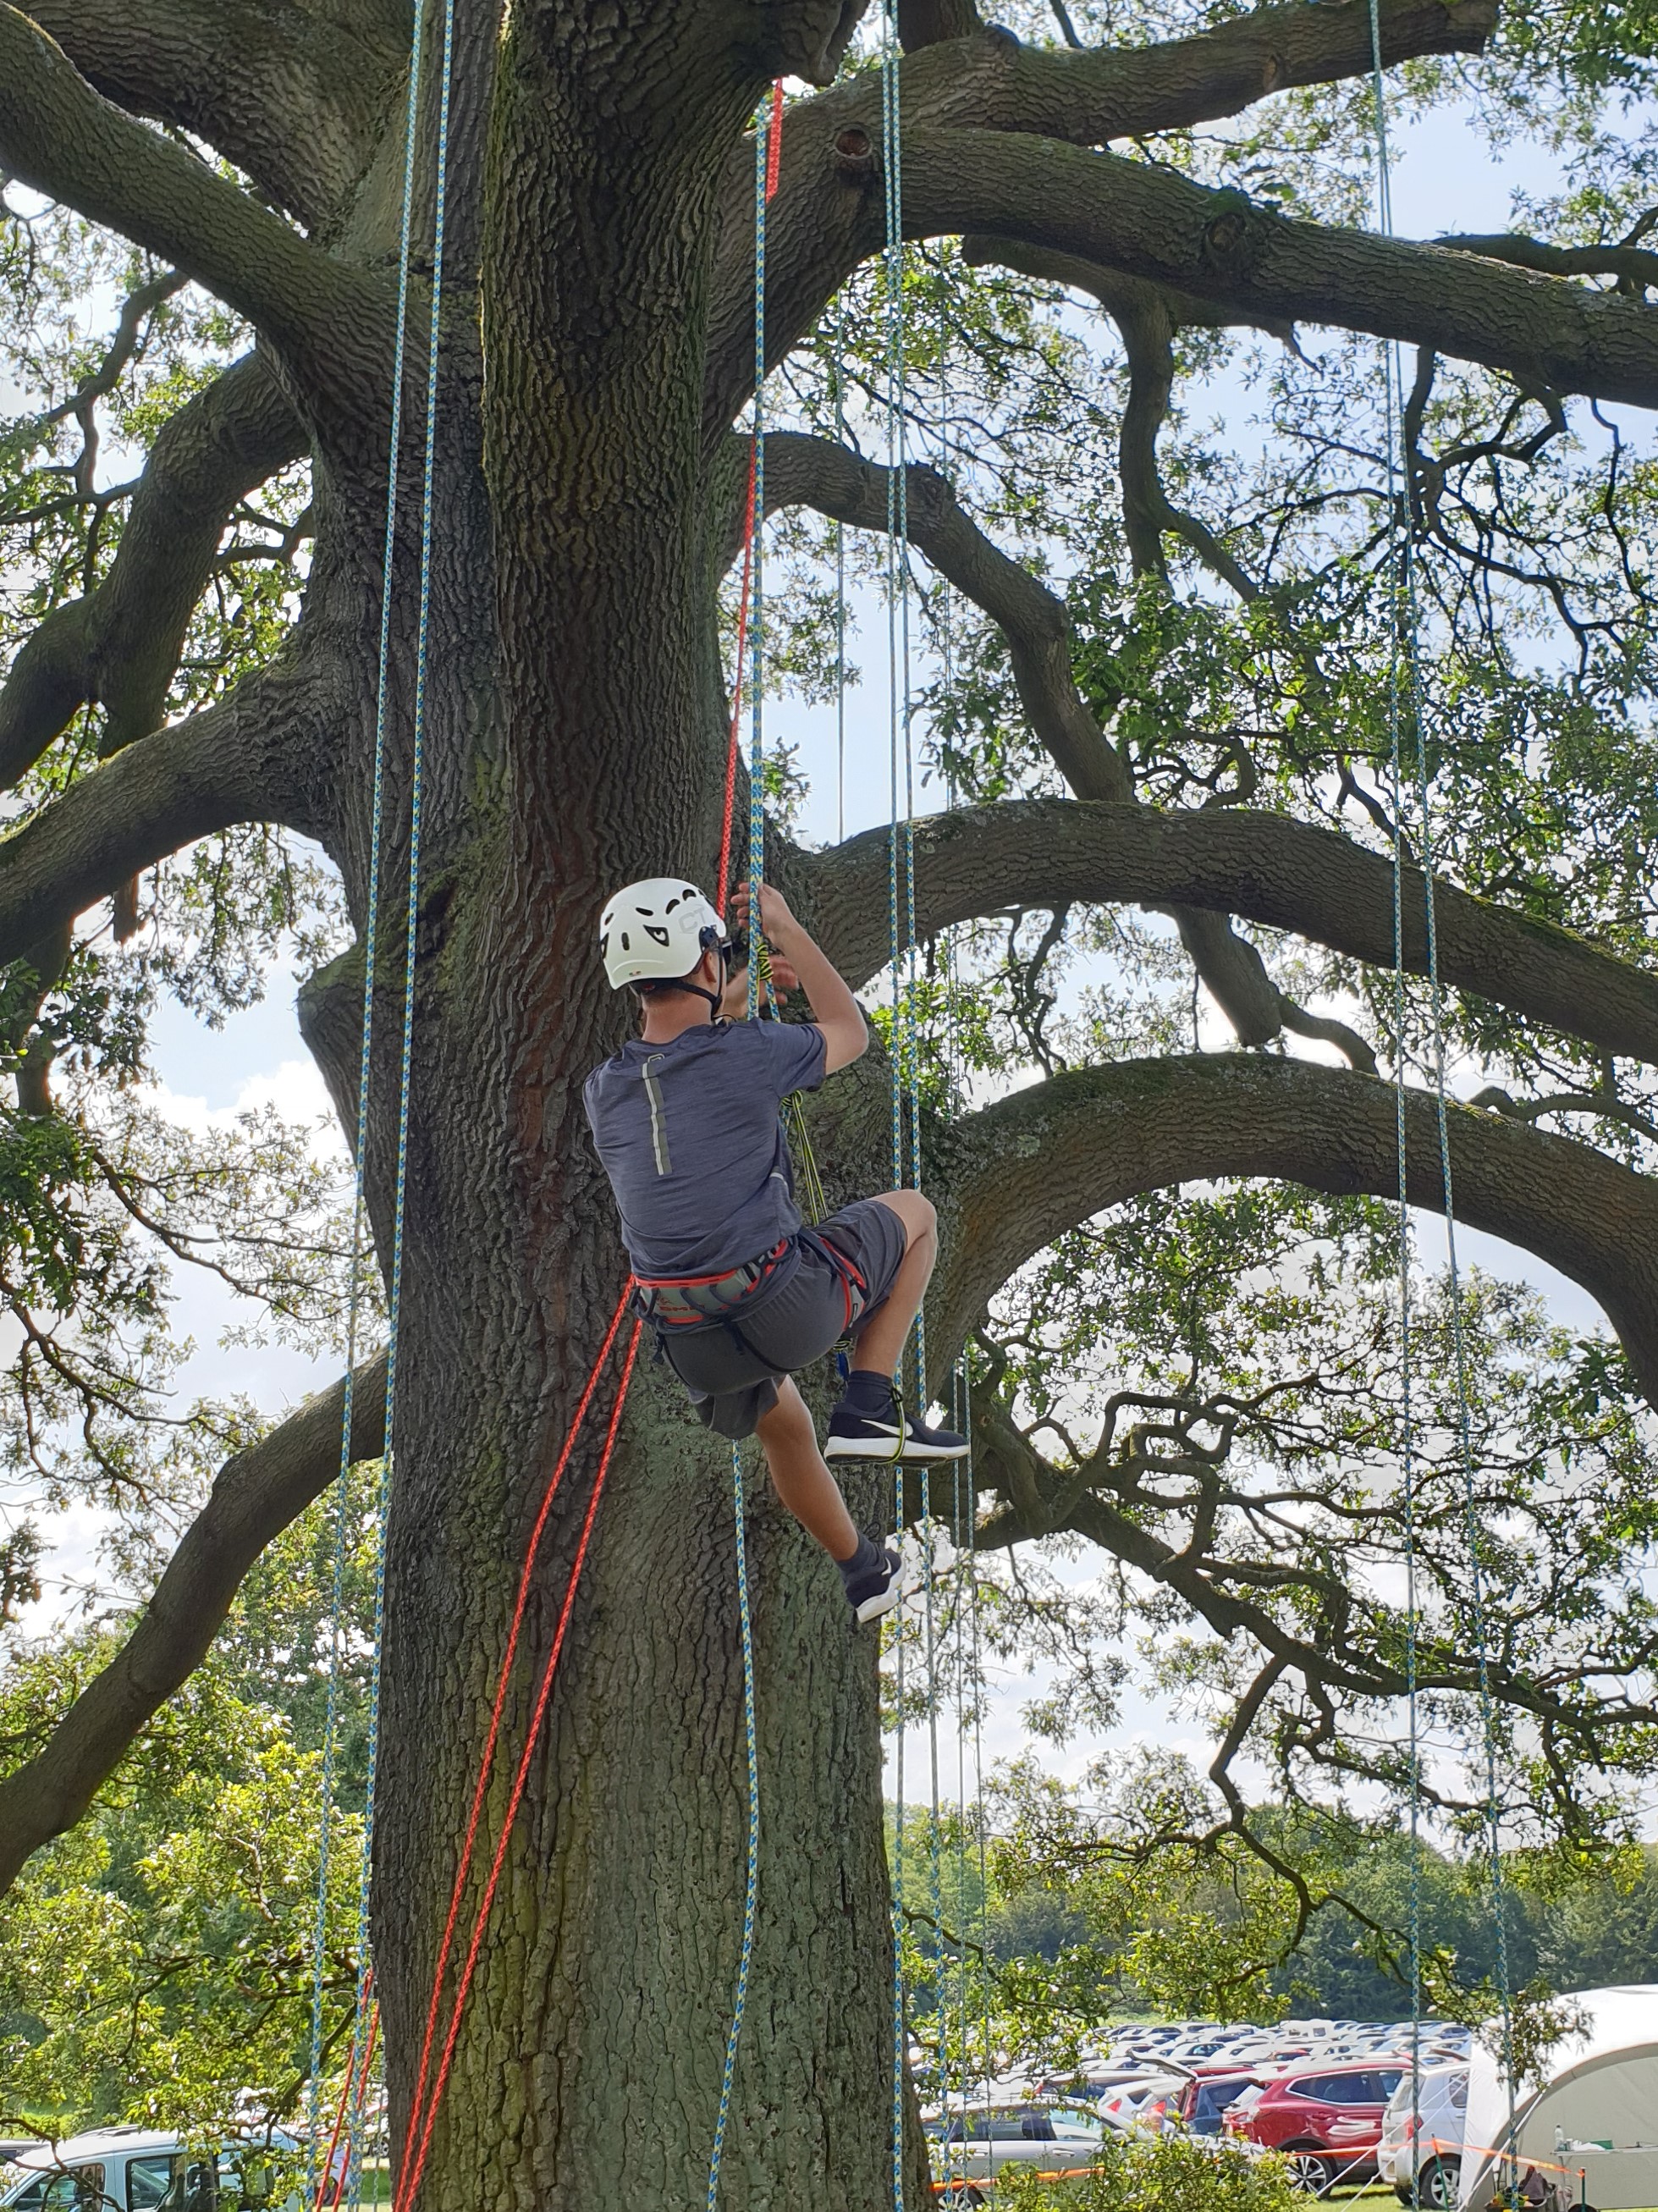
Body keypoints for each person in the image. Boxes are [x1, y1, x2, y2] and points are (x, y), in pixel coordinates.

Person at [584, 873, 969, 1623]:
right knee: (917, 1212)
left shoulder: (605, 1088)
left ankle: (863, 1571)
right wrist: (785, 930)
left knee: (782, 1422)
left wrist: (730, 996)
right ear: (703, 963)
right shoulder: (751, 1053)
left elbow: (690, 1049)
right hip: (779, 1302)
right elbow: (848, 1031)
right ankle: (868, 1403)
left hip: (692, 1340)